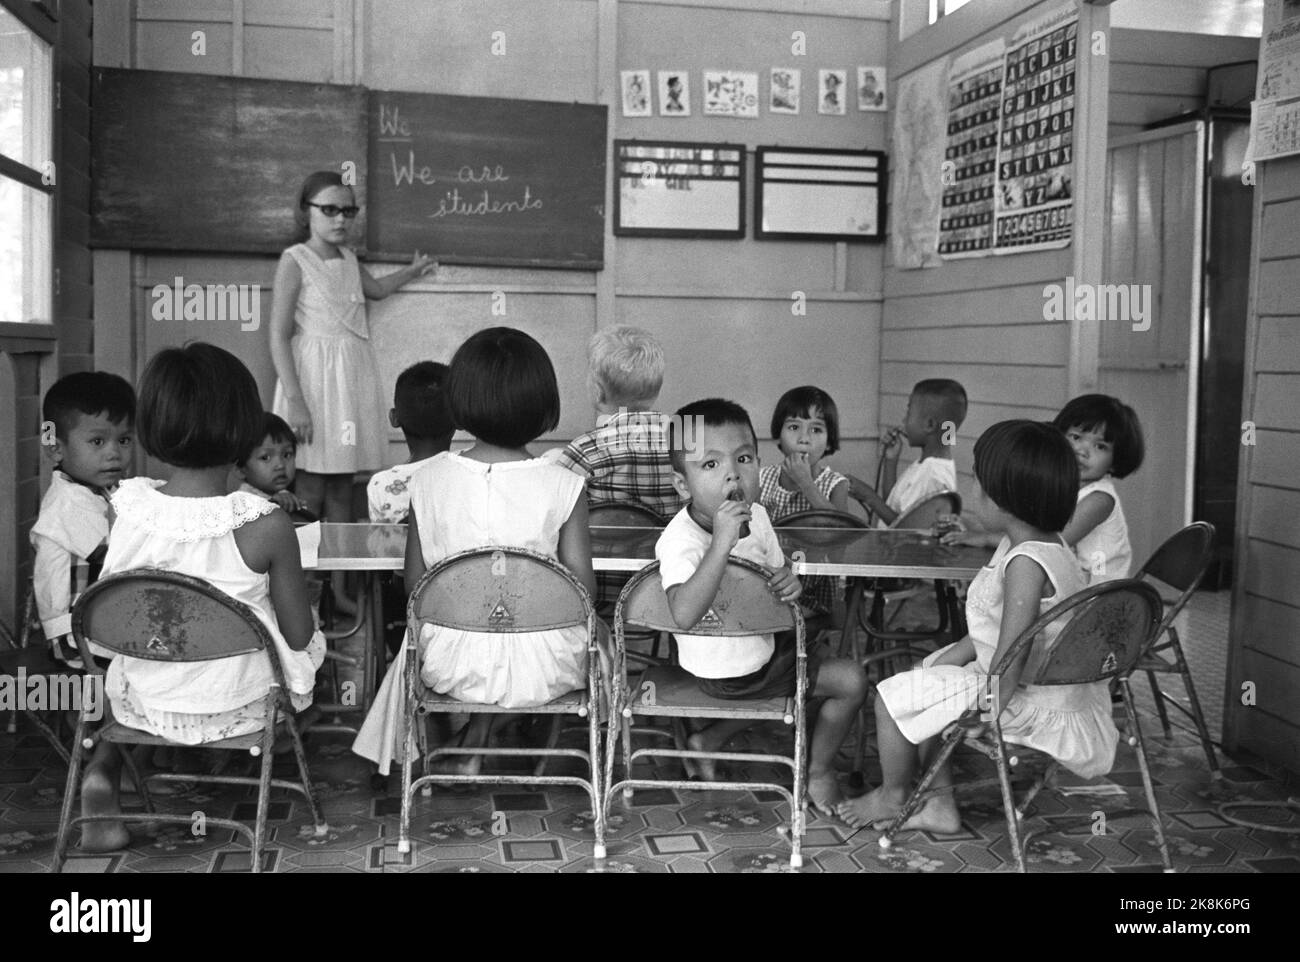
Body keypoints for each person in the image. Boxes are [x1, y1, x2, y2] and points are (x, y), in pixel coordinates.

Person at [78, 343, 325, 852]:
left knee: (150, 653)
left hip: (141, 706)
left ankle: (104, 772)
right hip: (235, 707)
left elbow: (113, 617)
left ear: (151, 425)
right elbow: (299, 636)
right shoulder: (266, 523)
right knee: (304, 647)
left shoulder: (124, 508)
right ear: (242, 428)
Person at [838, 420, 1114, 832]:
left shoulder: (1025, 562)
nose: (974, 491)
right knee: (926, 681)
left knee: (888, 700)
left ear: (1002, 500)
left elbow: (1013, 651)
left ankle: (893, 795)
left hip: (1021, 698)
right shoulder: (1045, 544)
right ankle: (940, 807)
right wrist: (940, 665)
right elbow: (991, 632)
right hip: (1032, 684)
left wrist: (984, 711)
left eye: (978, 483)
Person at [353, 328, 600, 776]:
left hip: (449, 665)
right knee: (598, 634)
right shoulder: (565, 484)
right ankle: (543, 746)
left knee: (474, 631)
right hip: (544, 668)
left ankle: (474, 738)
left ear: (460, 402)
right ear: (545, 405)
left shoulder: (427, 482)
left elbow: (416, 588)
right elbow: (582, 592)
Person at [657, 398, 868, 816]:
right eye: (711, 465)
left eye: (744, 458)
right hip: (719, 669)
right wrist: (721, 543)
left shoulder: (759, 516)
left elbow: (774, 576)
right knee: (852, 681)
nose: (733, 473)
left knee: (810, 659)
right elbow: (682, 613)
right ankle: (821, 772)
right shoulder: (680, 539)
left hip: (761, 655)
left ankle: (709, 739)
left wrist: (789, 578)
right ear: (682, 485)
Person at [268, 170, 436, 529]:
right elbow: (278, 335)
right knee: (310, 483)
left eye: (348, 211)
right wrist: (296, 401)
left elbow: (375, 289)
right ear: (306, 212)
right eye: (329, 210)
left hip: (348, 379)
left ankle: (343, 584)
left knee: (343, 485)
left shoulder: (348, 258)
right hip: (313, 382)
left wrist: (413, 270)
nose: (340, 218)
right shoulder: (295, 260)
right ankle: (310, 581)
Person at [31, 372, 136, 666]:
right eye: (98, 441)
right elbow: (122, 553)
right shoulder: (67, 503)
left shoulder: (94, 488)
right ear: (56, 448)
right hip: (79, 640)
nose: (114, 453)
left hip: (98, 625)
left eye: (124, 440)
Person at [758, 386, 852, 619]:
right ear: (778, 434)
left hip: (813, 584)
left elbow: (841, 533)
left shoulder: (835, 483)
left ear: (830, 441)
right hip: (769, 576)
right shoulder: (762, 477)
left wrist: (807, 484)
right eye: (793, 427)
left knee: (777, 619)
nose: (804, 438)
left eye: (816, 429)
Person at [849, 378, 967, 526]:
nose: (904, 420)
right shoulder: (927, 463)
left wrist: (869, 496)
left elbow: (906, 528)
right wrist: (891, 461)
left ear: (929, 425)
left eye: (909, 413)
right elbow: (893, 505)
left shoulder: (933, 475)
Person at [1053, 394, 1143, 582]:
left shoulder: (1100, 499)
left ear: (1115, 461)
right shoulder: (1063, 486)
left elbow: (1049, 542)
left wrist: (989, 539)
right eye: (1076, 437)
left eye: (1100, 446)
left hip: (1099, 594)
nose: (1082, 451)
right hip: (1076, 583)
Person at [367, 361, 454, 524]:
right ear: (459, 418)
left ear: (394, 418)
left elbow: (380, 546)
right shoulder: (471, 473)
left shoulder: (380, 484)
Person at [233, 412, 314, 521]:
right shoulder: (241, 503)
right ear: (240, 469)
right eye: (265, 458)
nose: (280, 465)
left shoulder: (286, 497)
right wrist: (272, 504)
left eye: (287, 455)